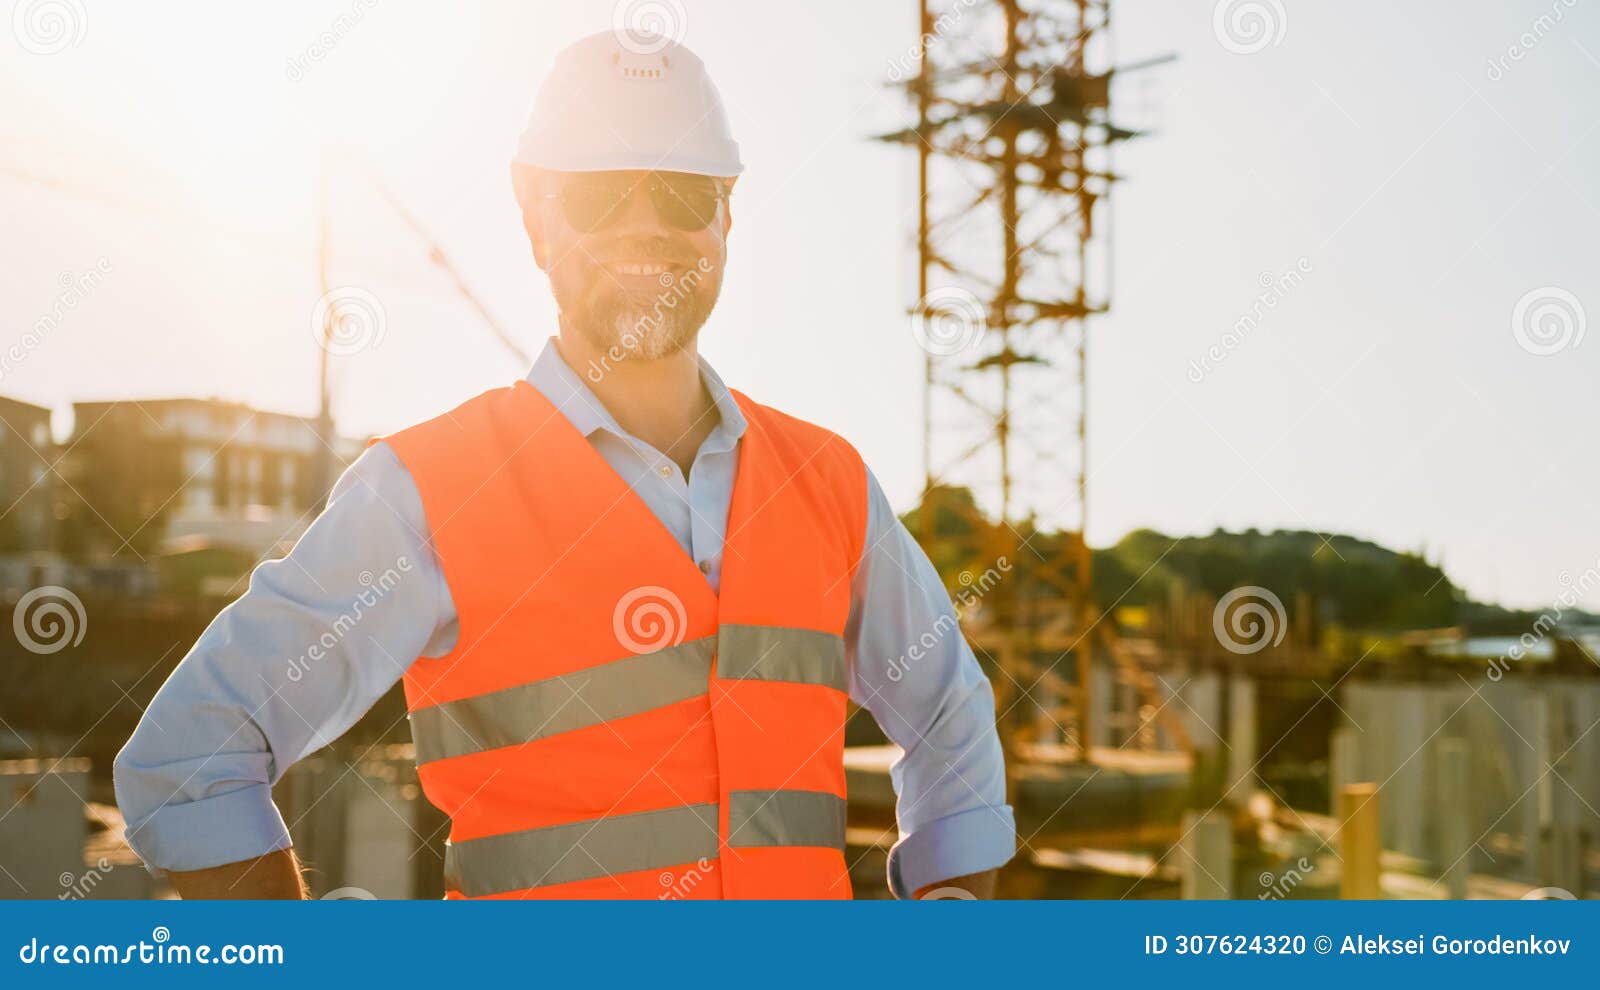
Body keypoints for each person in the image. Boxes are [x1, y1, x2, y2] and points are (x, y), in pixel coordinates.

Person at [114, 30, 1014, 900]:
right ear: (536, 219)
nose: (644, 227)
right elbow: (190, 757)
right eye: (597, 197)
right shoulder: (427, 492)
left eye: (682, 194)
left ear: (728, 217)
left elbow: (951, 719)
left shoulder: (828, 482)